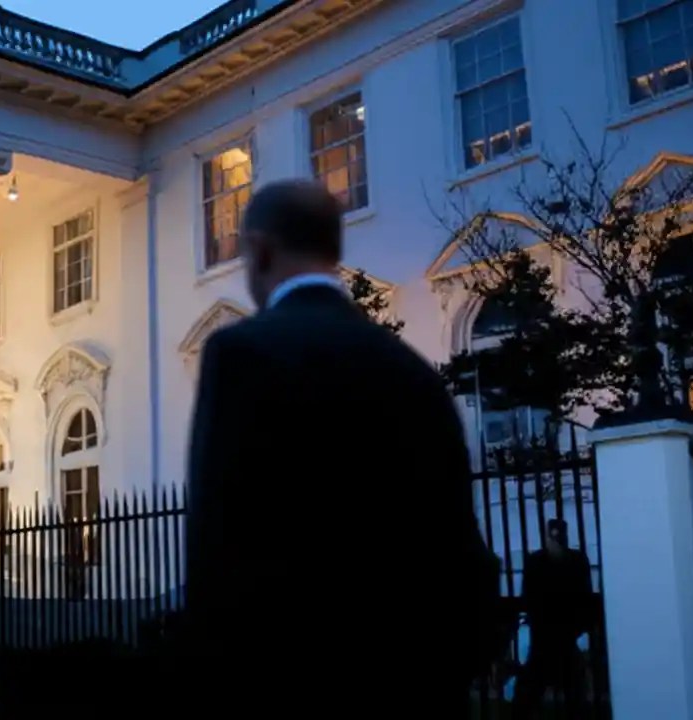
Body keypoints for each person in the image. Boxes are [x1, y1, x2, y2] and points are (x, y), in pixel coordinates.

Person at [184, 180, 501, 717]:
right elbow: (464, 561)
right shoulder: (415, 373)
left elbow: (219, 555)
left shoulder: (241, 354)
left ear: (259, 250)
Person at [512, 518, 595, 719]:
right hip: (560, 634)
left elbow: (527, 597)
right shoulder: (575, 560)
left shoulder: (537, 561)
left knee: (531, 692)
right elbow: (585, 597)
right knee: (572, 692)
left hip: (547, 635)